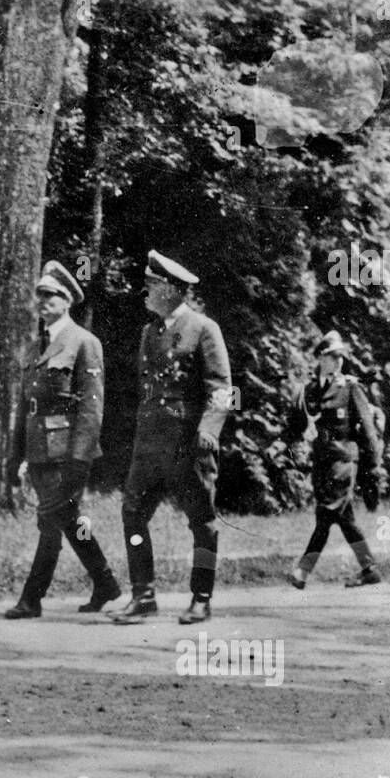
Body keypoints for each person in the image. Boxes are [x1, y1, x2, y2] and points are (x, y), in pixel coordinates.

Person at [115, 250, 231, 625]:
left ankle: (201, 598)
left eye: (150, 284)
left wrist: (209, 429)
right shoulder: (149, 333)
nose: (144, 291)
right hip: (149, 443)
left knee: (202, 522)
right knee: (133, 514)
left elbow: (221, 389)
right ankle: (143, 594)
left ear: (170, 289)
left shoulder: (202, 328)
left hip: (187, 444)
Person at [4, 260, 120, 619]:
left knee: (50, 521)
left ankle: (31, 599)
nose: (42, 302)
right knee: (68, 520)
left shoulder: (84, 342)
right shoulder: (36, 345)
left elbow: (91, 406)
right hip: (39, 449)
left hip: (66, 451)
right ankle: (105, 582)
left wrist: (79, 459)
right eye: (39, 295)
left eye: (50, 296)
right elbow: (27, 405)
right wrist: (15, 456)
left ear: (67, 300)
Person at [287, 330, 383, 590]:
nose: (339, 361)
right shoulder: (308, 391)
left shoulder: (350, 388)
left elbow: (369, 430)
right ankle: (369, 568)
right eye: (332, 356)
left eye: (341, 356)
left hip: (343, 461)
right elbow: (295, 424)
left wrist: (373, 467)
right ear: (320, 358)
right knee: (345, 518)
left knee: (326, 513)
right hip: (321, 464)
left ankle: (302, 570)